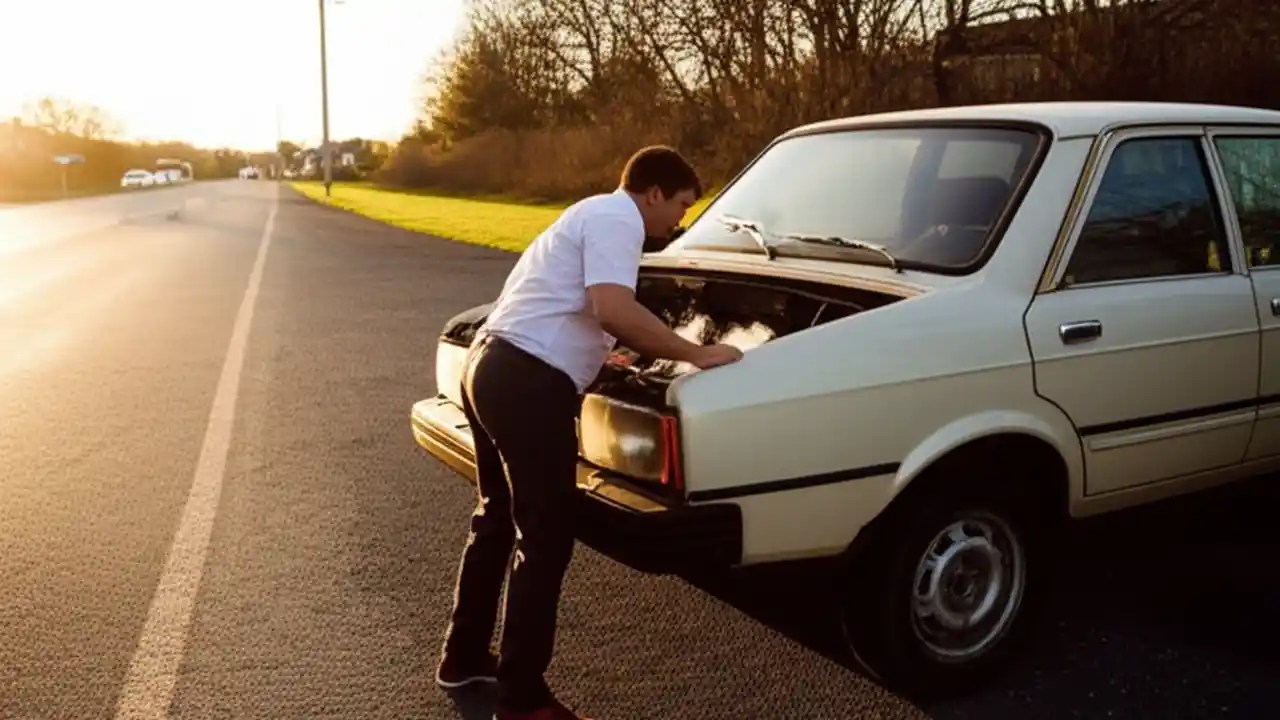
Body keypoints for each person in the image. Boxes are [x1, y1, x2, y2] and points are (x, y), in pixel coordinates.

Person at [434, 146, 743, 720]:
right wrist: (696, 354)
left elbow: (571, 310)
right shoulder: (618, 220)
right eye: (679, 205)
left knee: (497, 519)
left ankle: (464, 657)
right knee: (545, 538)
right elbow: (612, 309)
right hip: (526, 383)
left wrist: (605, 357)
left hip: (490, 364)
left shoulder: (587, 212)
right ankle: (522, 699)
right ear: (652, 193)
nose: (679, 220)